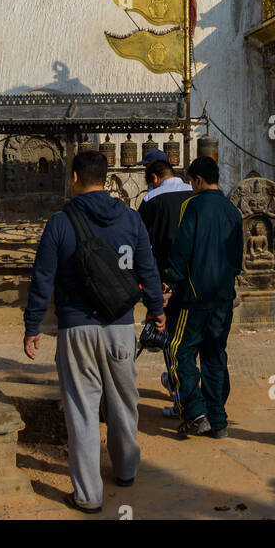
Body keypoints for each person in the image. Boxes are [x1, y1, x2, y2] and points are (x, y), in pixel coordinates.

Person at [23, 149, 165, 513]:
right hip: (119, 327)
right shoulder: (132, 219)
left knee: (82, 409)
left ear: (74, 178)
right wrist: (156, 311)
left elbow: (43, 277)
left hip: (76, 330)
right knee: (123, 401)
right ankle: (126, 469)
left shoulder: (59, 222)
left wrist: (33, 325)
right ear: (106, 178)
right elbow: (148, 269)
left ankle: (88, 495)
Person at [163, 155, 243, 439]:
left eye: (191, 182)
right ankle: (218, 420)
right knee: (214, 354)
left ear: (197, 180)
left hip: (193, 298)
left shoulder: (192, 205)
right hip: (223, 296)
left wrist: (169, 284)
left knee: (179, 350)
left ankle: (195, 411)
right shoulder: (233, 211)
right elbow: (237, 258)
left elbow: (181, 249)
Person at [137, 148, 192, 417]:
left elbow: (139, 243)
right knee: (191, 338)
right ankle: (185, 386)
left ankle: (180, 393)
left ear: (155, 176)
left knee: (169, 336)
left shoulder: (151, 200)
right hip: (195, 281)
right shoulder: (193, 194)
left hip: (165, 283)